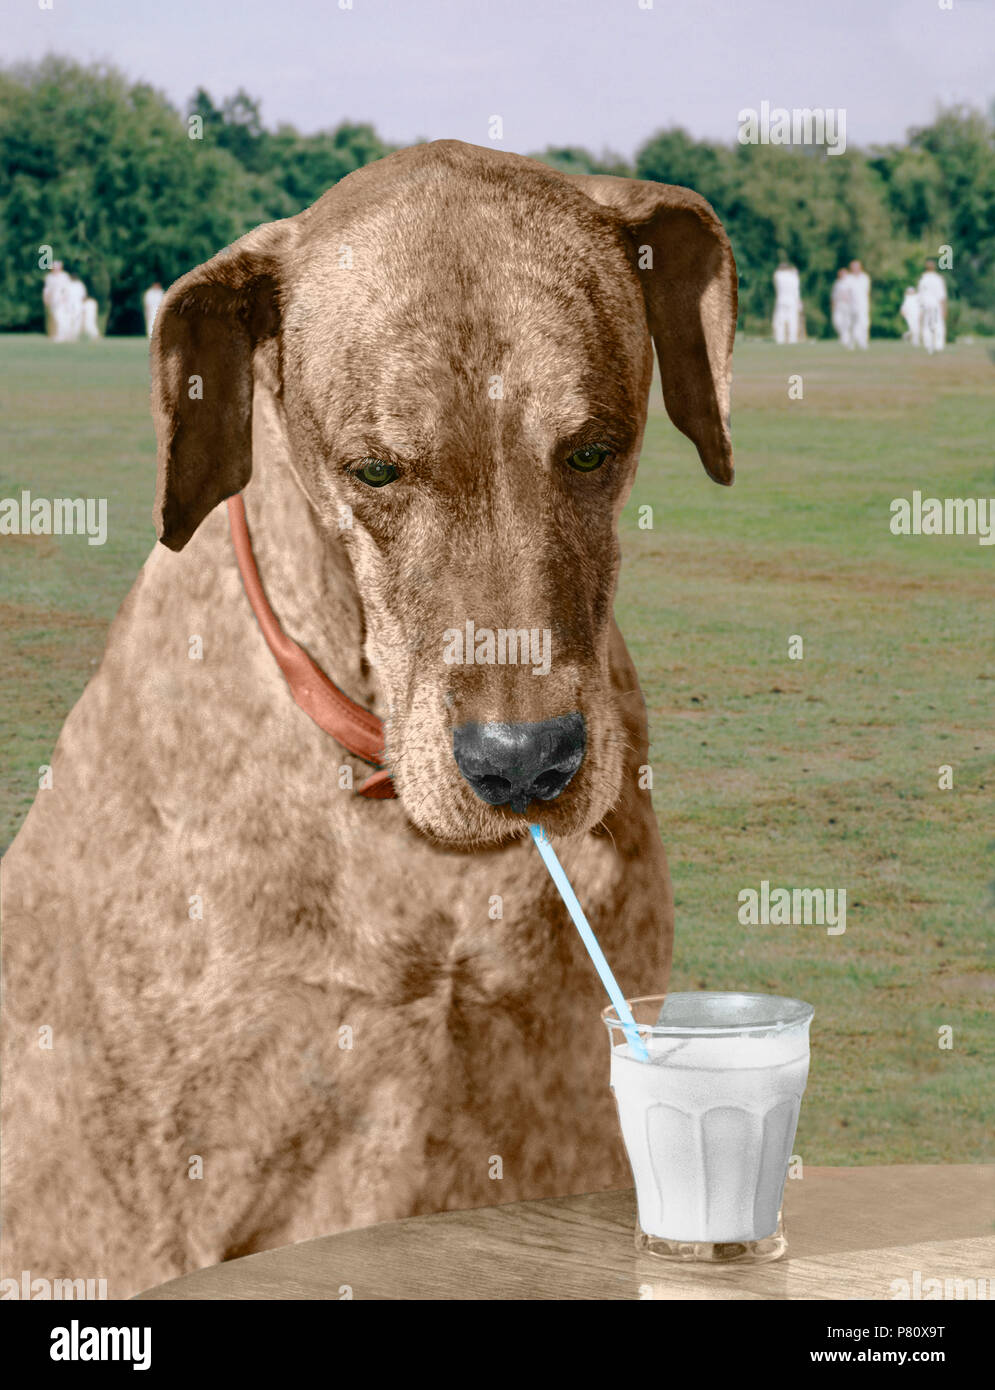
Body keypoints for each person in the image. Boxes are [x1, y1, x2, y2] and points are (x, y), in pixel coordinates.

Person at [917, 259, 947, 354]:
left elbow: (920, 296)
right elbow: (942, 296)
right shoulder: (938, 279)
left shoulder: (922, 279)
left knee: (926, 325)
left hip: (925, 304)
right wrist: (944, 308)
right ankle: (938, 345)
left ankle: (928, 344)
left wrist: (920, 309)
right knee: (937, 325)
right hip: (935, 304)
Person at [772, 254, 801, 344]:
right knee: (793, 320)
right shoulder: (794, 276)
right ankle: (793, 339)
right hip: (793, 300)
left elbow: (776, 274)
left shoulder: (778, 275)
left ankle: (780, 339)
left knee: (780, 320)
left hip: (781, 300)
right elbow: (797, 290)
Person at [42, 261, 72, 340]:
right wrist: (46, 299)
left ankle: (62, 335)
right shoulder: (49, 277)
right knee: (56, 318)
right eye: (53, 268)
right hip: (53, 301)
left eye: (56, 267)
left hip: (63, 300)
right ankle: (61, 334)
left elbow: (67, 289)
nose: (55, 269)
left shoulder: (64, 276)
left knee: (61, 318)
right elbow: (47, 289)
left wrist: (65, 298)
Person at [848, 259, 871, 349]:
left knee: (864, 323)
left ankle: (863, 342)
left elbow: (866, 291)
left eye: (856, 266)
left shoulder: (865, 277)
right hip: (852, 305)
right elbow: (848, 292)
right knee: (853, 324)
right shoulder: (849, 278)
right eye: (853, 267)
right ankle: (852, 343)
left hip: (863, 304)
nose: (855, 268)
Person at [831, 267, 854, 348]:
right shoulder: (837, 283)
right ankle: (844, 337)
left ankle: (846, 339)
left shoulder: (850, 283)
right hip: (839, 305)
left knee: (847, 323)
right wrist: (833, 306)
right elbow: (834, 296)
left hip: (847, 306)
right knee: (837, 322)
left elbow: (853, 295)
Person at [66, 274, 88, 341]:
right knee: (69, 318)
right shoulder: (68, 284)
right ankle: (69, 334)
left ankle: (75, 334)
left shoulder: (79, 285)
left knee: (77, 319)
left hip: (78, 303)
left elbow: (83, 295)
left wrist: (83, 305)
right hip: (69, 303)